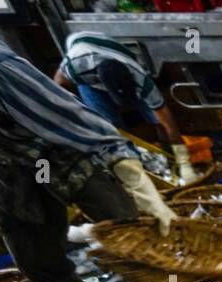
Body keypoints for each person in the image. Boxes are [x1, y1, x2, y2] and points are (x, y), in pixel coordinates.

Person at [0, 36, 174, 282]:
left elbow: (76, 120)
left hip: (56, 148)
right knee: (36, 259)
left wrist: (141, 186)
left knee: (130, 229)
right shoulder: (74, 67)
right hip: (6, 168)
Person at [52, 32, 191, 180]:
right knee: (109, 127)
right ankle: (127, 166)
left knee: (155, 118)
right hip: (88, 74)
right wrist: (78, 115)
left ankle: (168, 155)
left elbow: (166, 120)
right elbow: (57, 86)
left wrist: (184, 162)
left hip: (115, 59)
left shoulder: (138, 77)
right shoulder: (75, 67)